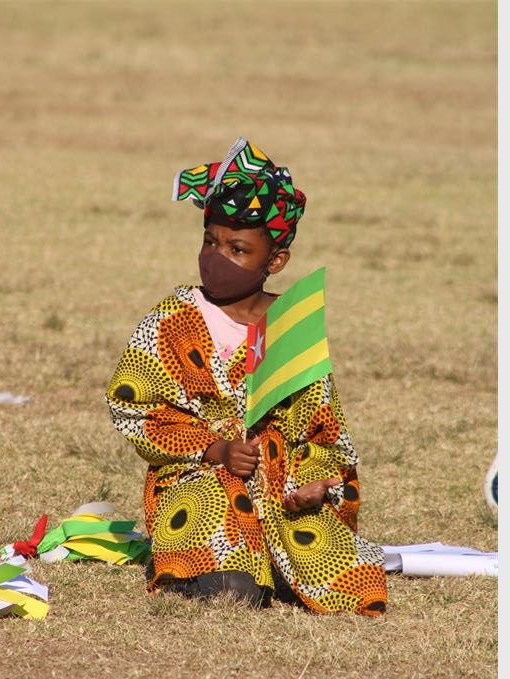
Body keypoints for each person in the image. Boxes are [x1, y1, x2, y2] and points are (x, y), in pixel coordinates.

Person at [105, 137, 387, 616]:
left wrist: (315, 485)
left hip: (282, 491)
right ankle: (214, 563)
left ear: (274, 262)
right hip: (201, 480)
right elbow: (135, 407)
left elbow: (324, 429)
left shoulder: (291, 326)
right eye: (210, 242)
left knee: (349, 582)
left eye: (237, 249)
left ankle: (272, 558)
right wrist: (212, 449)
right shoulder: (173, 320)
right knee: (236, 591)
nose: (217, 256)